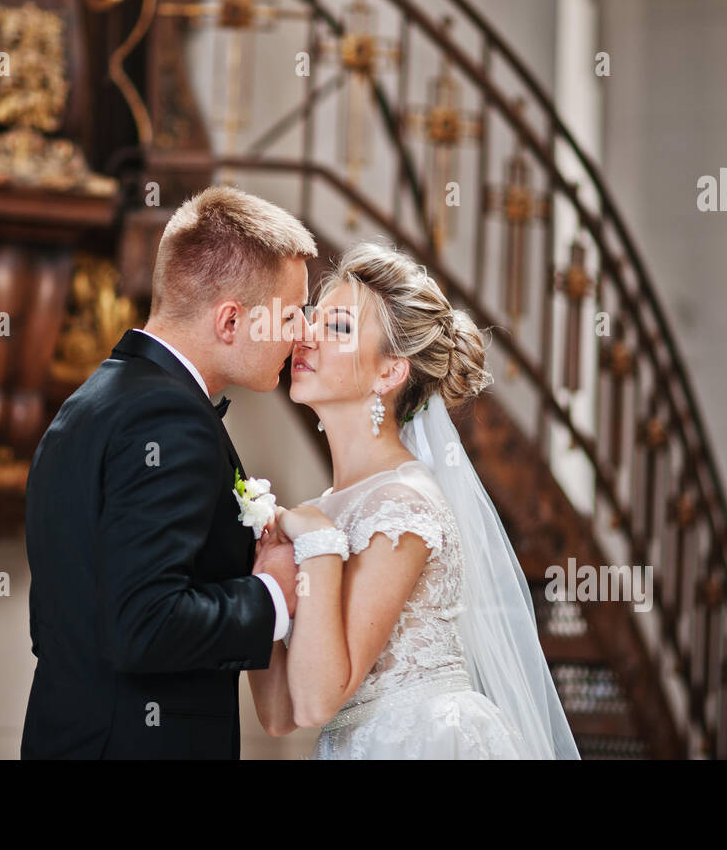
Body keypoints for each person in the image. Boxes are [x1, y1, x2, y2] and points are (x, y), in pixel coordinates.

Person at [249, 241, 581, 759]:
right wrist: (264, 582)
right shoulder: (326, 508)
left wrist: (316, 542)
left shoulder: (403, 505)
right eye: (313, 318)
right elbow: (279, 714)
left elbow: (317, 704)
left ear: (389, 373)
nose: (305, 335)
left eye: (336, 328)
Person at [21, 185, 313, 759]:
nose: (301, 332)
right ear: (231, 321)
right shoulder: (168, 417)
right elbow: (144, 623)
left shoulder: (95, 400)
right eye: (290, 314)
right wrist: (271, 595)